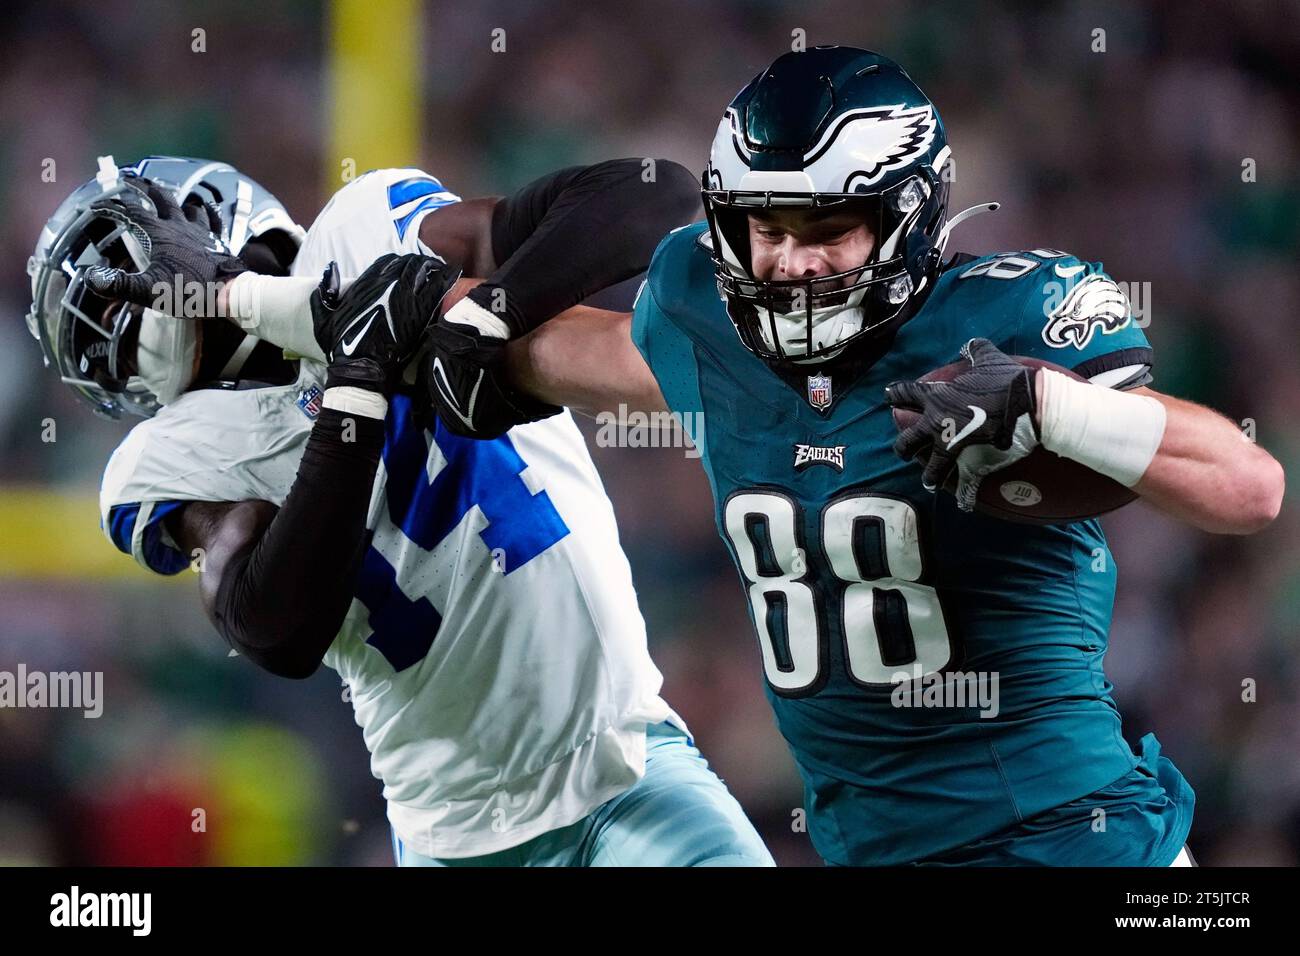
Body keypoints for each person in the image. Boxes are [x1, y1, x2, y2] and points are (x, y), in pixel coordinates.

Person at [427, 47, 1285, 865]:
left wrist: (1051, 406)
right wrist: (413, 310)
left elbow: (1249, 487)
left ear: (908, 218)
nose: (792, 264)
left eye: (828, 229)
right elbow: (576, 351)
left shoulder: (1005, 320)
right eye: (767, 228)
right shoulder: (705, 327)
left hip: (1073, 837)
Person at [28, 155, 773, 867]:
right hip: (455, 831)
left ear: (202, 217)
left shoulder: (359, 235)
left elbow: (655, 194)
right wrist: (354, 387)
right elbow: (274, 629)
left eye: (126, 275)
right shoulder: (166, 456)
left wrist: (491, 313)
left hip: (628, 759)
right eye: (99, 312)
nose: (127, 312)